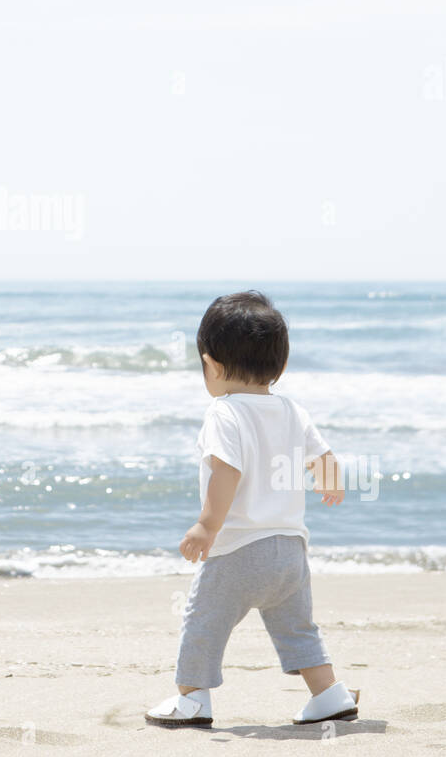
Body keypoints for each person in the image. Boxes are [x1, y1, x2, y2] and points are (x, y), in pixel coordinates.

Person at [146, 291, 359, 729]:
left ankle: (192, 699)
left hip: (238, 550)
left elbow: (227, 469)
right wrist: (331, 482)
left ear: (214, 365)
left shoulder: (223, 412)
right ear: (278, 366)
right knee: (298, 629)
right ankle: (329, 695)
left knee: (203, 622)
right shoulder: (290, 408)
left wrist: (207, 525)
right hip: (290, 552)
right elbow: (324, 457)